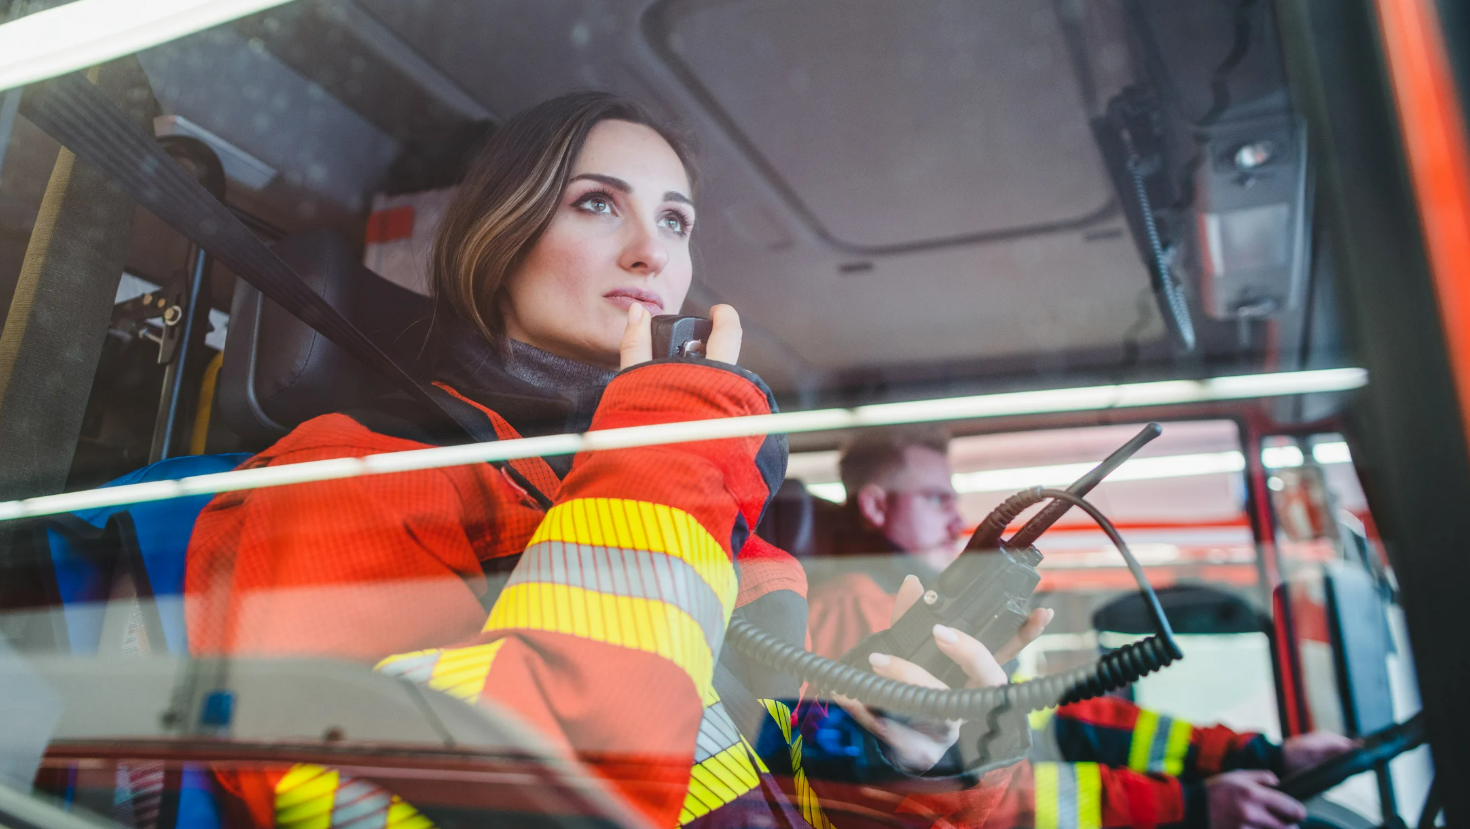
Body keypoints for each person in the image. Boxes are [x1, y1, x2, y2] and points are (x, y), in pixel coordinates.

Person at [185, 92, 1040, 829]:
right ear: (502, 233)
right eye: (597, 204)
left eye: (675, 219)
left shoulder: (717, 528)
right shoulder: (342, 480)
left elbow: (763, 795)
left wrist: (922, 766)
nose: (653, 251)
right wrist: (662, 446)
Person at [805, 427, 1357, 829]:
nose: (956, 520)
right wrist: (1187, 807)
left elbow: (1048, 722)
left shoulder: (938, 610)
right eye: (935, 499)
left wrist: (1254, 756)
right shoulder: (857, 610)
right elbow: (963, 787)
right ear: (876, 506)